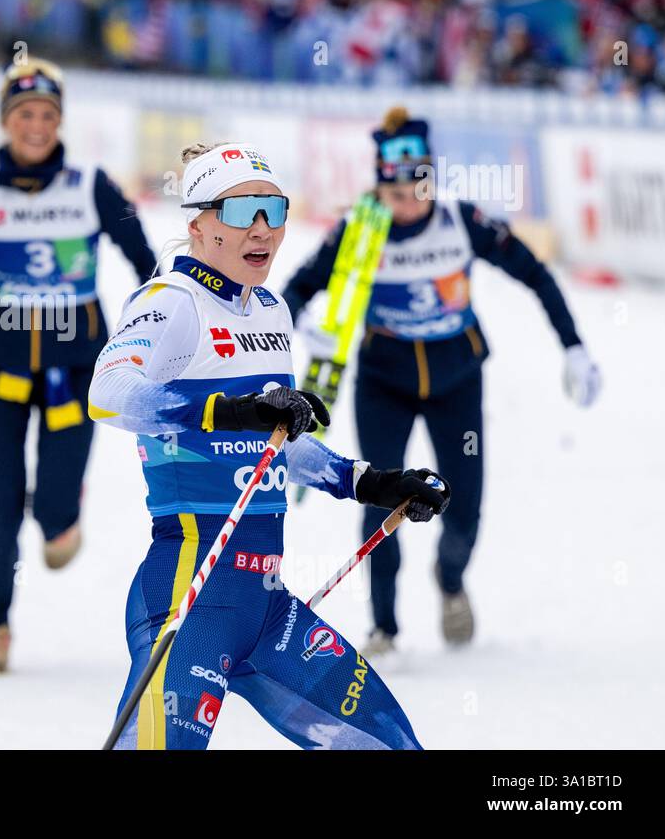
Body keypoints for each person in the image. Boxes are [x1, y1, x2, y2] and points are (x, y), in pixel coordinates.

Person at [89, 140, 450, 749]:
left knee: (391, 745)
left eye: (273, 210)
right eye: (239, 212)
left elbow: (272, 444)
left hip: (266, 608)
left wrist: (368, 482)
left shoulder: (271, 312)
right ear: (199, 225)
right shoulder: (172, 303)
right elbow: (108, 392)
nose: (262, 230)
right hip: (189, 595)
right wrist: (227, 410)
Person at [283, 107, 601, 655]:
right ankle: (384, 626)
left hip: (457, 380)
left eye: (413, 188)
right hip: (384, 382)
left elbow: (536, 274)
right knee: (380, 498)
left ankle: (450, 579)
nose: (402, 202)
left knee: (465, 508)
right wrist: (294, 324)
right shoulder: (360, 230)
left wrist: (572, 345)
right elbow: (298, 287)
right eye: (391, 191)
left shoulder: (462, 221)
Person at [0, 58, 157, 672]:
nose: (36, 126)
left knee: (51, 511)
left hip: (76, 368)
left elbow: (145, 259)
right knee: (1, 502)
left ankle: (61, 512)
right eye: (24, 115)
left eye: (47, 116)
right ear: (6, 122)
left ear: (60, 123)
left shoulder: (90, 185)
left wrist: (156, 318)